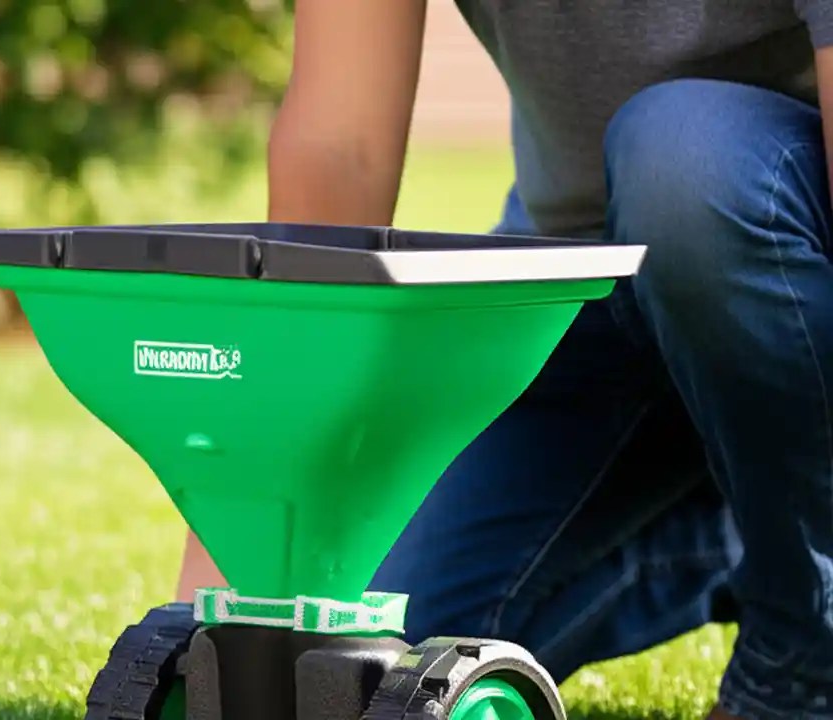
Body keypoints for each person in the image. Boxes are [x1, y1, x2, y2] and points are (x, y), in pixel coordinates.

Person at [174, 2, 833, 719]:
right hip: (576, 299)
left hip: (790, 270)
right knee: (359, 657)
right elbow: (342, 153)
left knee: (684, 159)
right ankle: (748, 527)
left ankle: (803, 660)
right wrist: (242, 595)